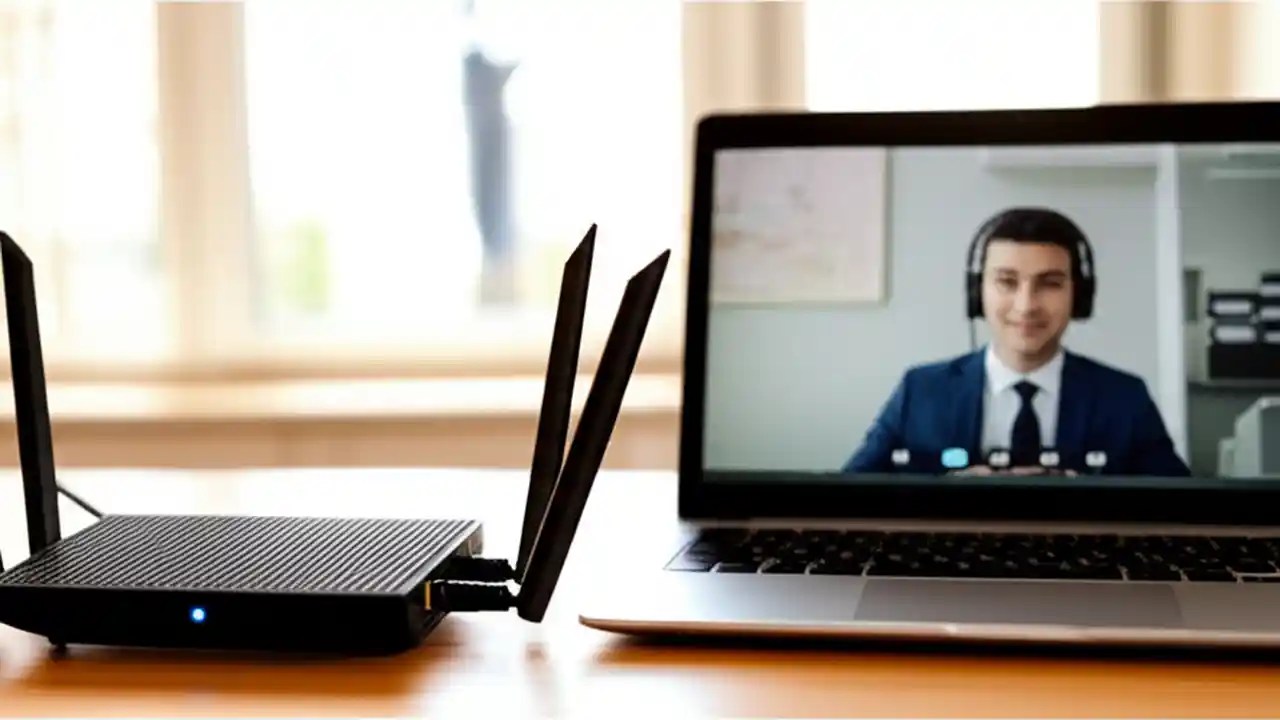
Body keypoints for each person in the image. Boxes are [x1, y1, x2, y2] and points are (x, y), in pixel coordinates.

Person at [843, 207, 1191, 477]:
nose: (1026, 306)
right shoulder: (920, 389)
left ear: (1079, 296)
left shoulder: (1124, 398)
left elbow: (1180, 507)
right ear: (977, 293)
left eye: (1050, 283)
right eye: (1007, 282)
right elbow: (849, 494)